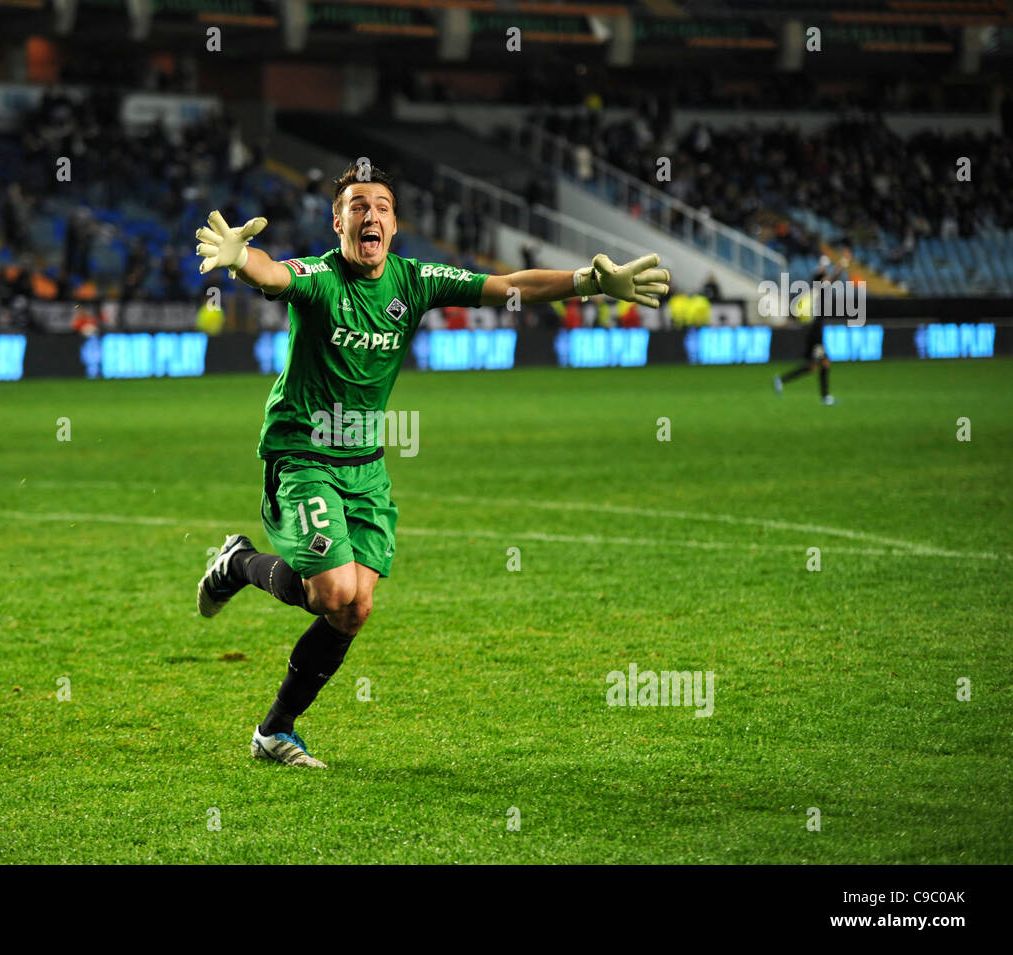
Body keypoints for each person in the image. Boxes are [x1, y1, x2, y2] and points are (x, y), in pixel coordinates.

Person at [191, 164, 670, 768]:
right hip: (302, 454)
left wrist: (587, 281)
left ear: (394, 224)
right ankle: (239, 564)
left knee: (355, 608)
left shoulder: (413, 281)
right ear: (337, 221)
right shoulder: (318, 279)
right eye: (358, 205)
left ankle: (274, 730)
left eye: (383, 206)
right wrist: (242, 259)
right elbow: (273, 274)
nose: (372, 215)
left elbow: (505, 286)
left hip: (364, 466)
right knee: (331, 590)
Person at [773, 246, 849, 405]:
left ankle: (781, 380)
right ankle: (825, 397)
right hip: (815, 332)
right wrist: (841, 264)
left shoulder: (814, 291)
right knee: (825, 362)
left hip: (812, 331)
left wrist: (825, 264)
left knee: (811, 366)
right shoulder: (819, 289)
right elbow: (832, 278)